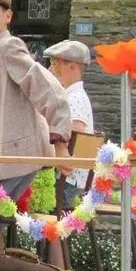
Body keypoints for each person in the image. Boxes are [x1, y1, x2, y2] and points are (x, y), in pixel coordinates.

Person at [0, 0, 71, 259]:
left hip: (18, 154)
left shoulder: (8, 46)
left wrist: (61, 144)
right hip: (4, 155)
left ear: (8, 15)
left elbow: (48, 90)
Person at [44, 39, 95, 209]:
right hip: (70, 180)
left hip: (66, 181)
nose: (51, 70)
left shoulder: (74, 98)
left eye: (56, 64)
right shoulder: (73, 96)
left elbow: (73, 139)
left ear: (73, 66)